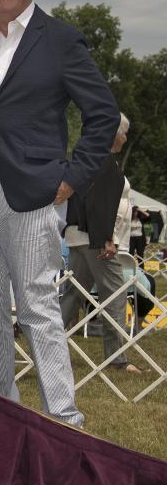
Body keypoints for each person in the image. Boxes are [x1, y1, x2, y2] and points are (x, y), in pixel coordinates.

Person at [0, 0, 120, 427]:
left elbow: (103, 114)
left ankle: (63, 421)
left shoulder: (62, 39)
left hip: (34, 191)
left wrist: (71, 178)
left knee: (38, 307)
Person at [60, 114, 141, 372]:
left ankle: (48, 346)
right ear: (113, 133)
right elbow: (97, 204)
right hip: (95, 238)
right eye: (124, 132)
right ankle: (116, 359)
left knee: (74, 294)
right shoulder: (103, 161)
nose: (125, 138)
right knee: (116, 293)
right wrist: (105, 238)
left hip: (78, 236)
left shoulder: (89, 157)